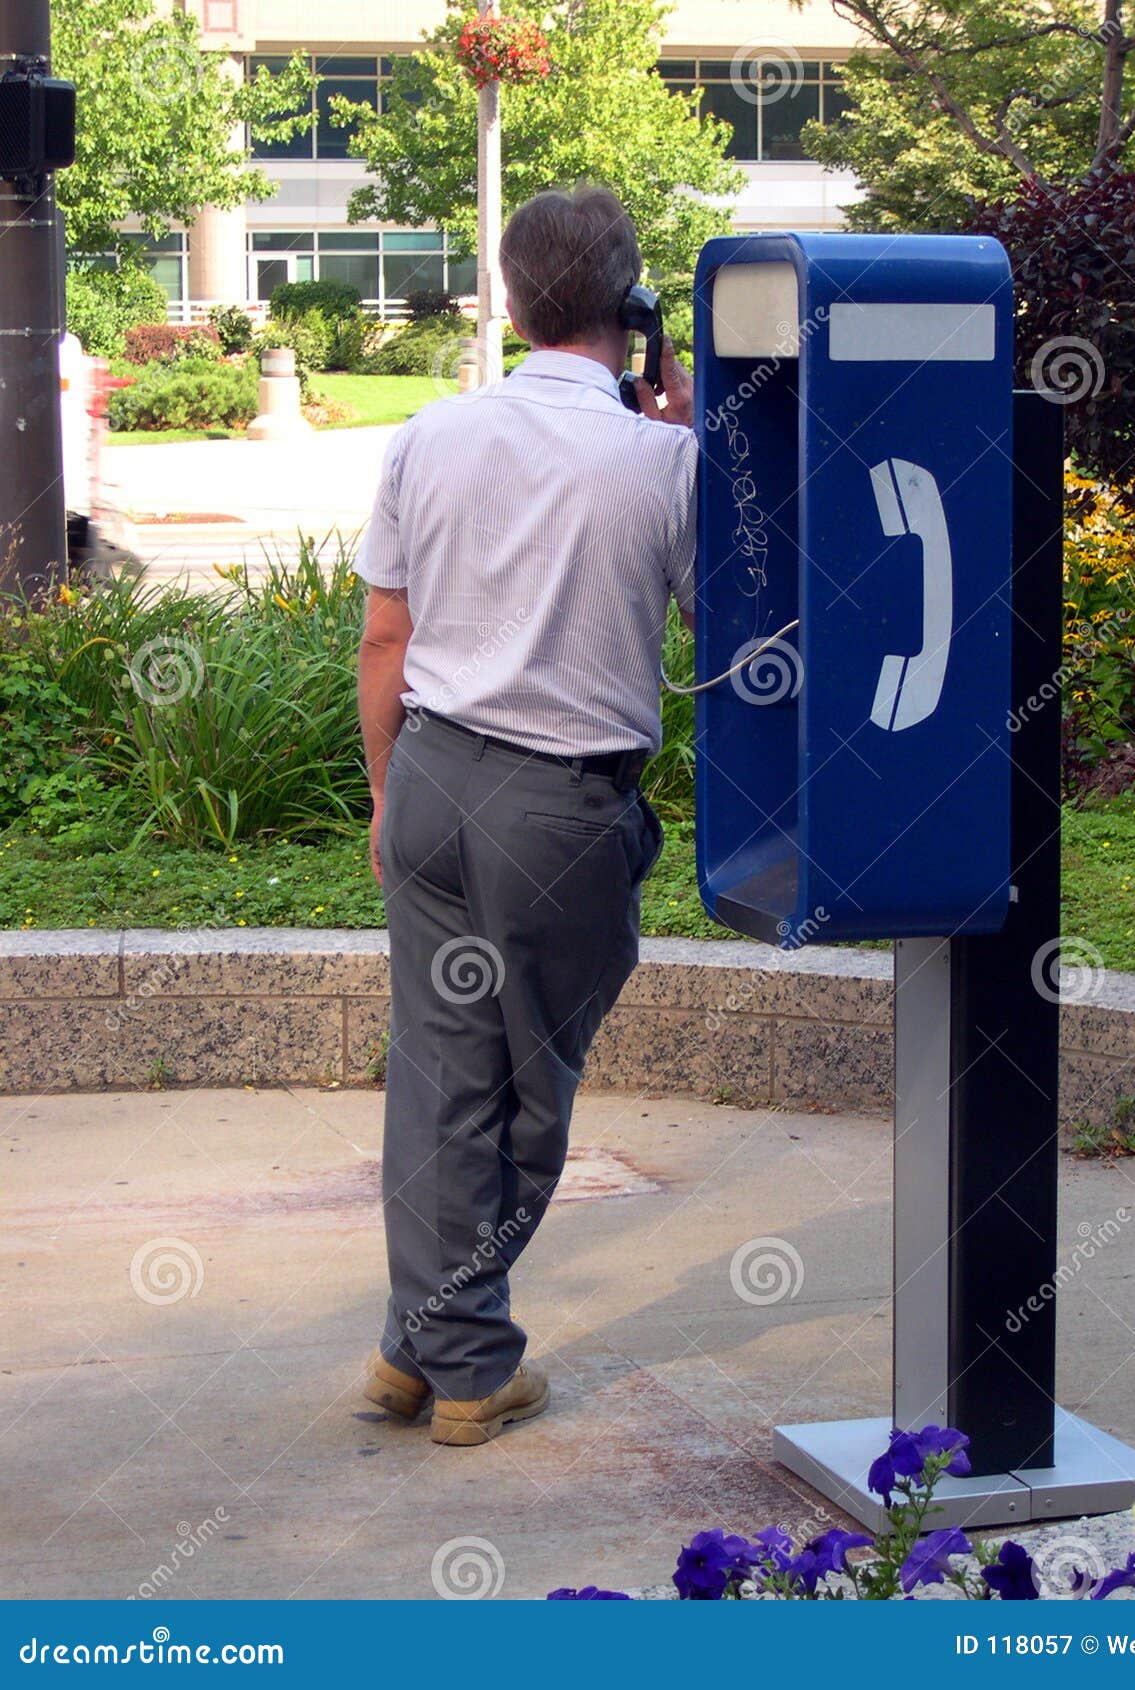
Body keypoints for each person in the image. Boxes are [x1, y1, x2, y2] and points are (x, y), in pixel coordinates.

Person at [353, 185, 696, 1446]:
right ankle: (469, 1365)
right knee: (526, 1096)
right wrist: (697, 443)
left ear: (511, 296)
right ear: (630, 307)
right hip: (557, 807)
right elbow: (734, 640)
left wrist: (391, 793)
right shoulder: (666, 462)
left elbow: (385, 635)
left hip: (435, 778)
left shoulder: (429, 436)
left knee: (442, 1079)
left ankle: (412, 1347)